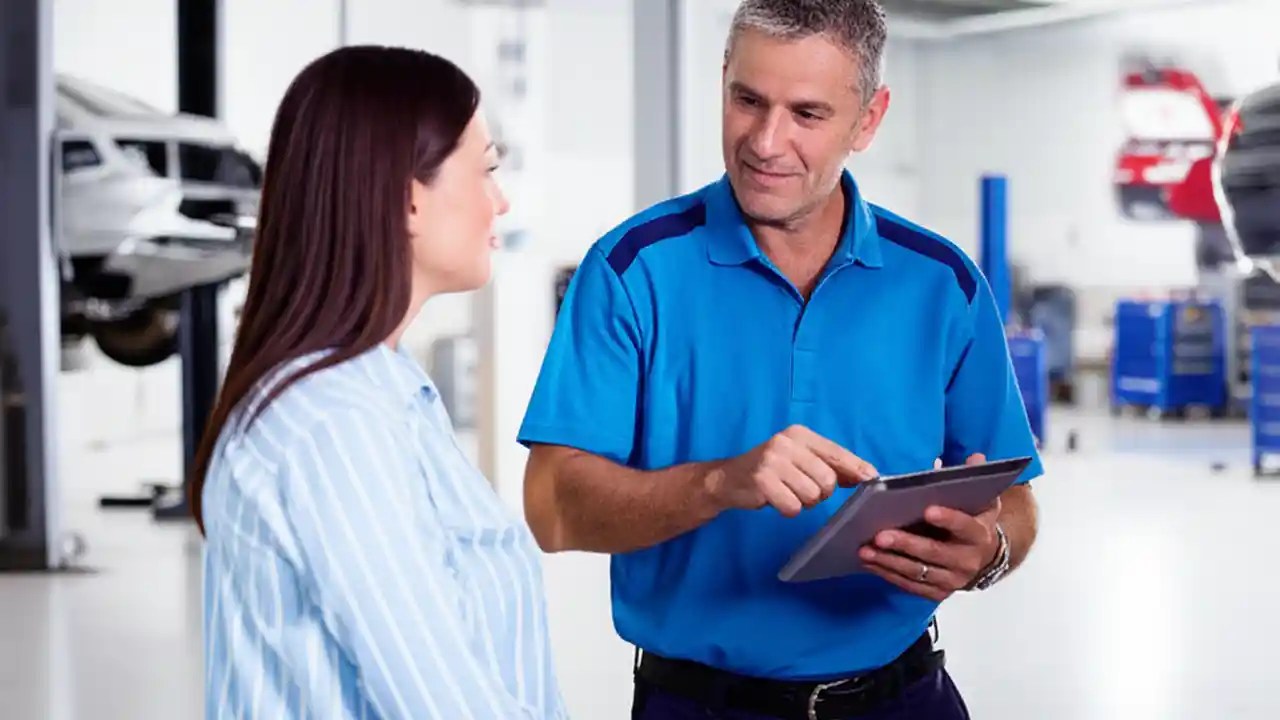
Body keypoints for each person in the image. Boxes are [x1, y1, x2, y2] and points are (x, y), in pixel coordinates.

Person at [518, 1, 1043, 718]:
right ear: (724, 82)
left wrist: (988, 554)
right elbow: (551, 510)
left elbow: (1015, 498)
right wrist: (718, 483)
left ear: (869, 119)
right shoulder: (632, 271)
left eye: (807, 113)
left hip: (905, 697)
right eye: (748, 100)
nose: (767, 141)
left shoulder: (942, 283)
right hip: (698, 705)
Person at [191, 45, 567, 720]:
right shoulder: (335, 424)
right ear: (407, 200)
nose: (499, 201)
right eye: (484, 172)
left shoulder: (381, 392)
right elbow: (440, 698)